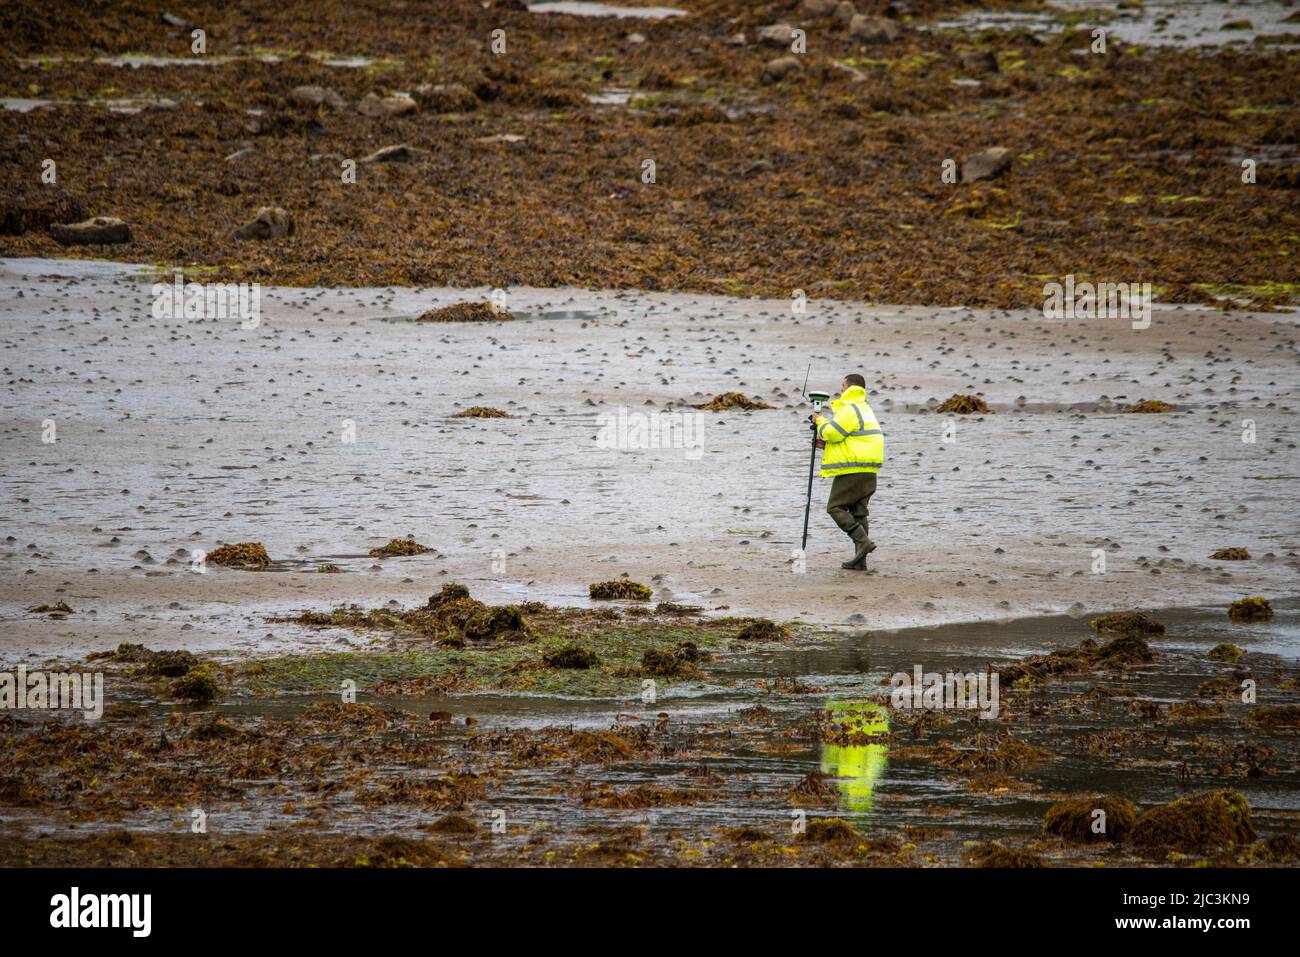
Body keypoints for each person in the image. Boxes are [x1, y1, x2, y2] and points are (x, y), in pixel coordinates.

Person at [810, 374, 884, 570]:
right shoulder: (865, 408)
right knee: (859, 512)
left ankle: (863, 542)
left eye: (842, 385)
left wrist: (820, 421)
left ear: (848, 386)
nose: (840, 389)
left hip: (854, 468)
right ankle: (860, 561)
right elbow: (855, 439)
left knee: (835, 507)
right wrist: (826, 447)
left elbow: (833, 432)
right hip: (869, 467)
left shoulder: (850, 408)